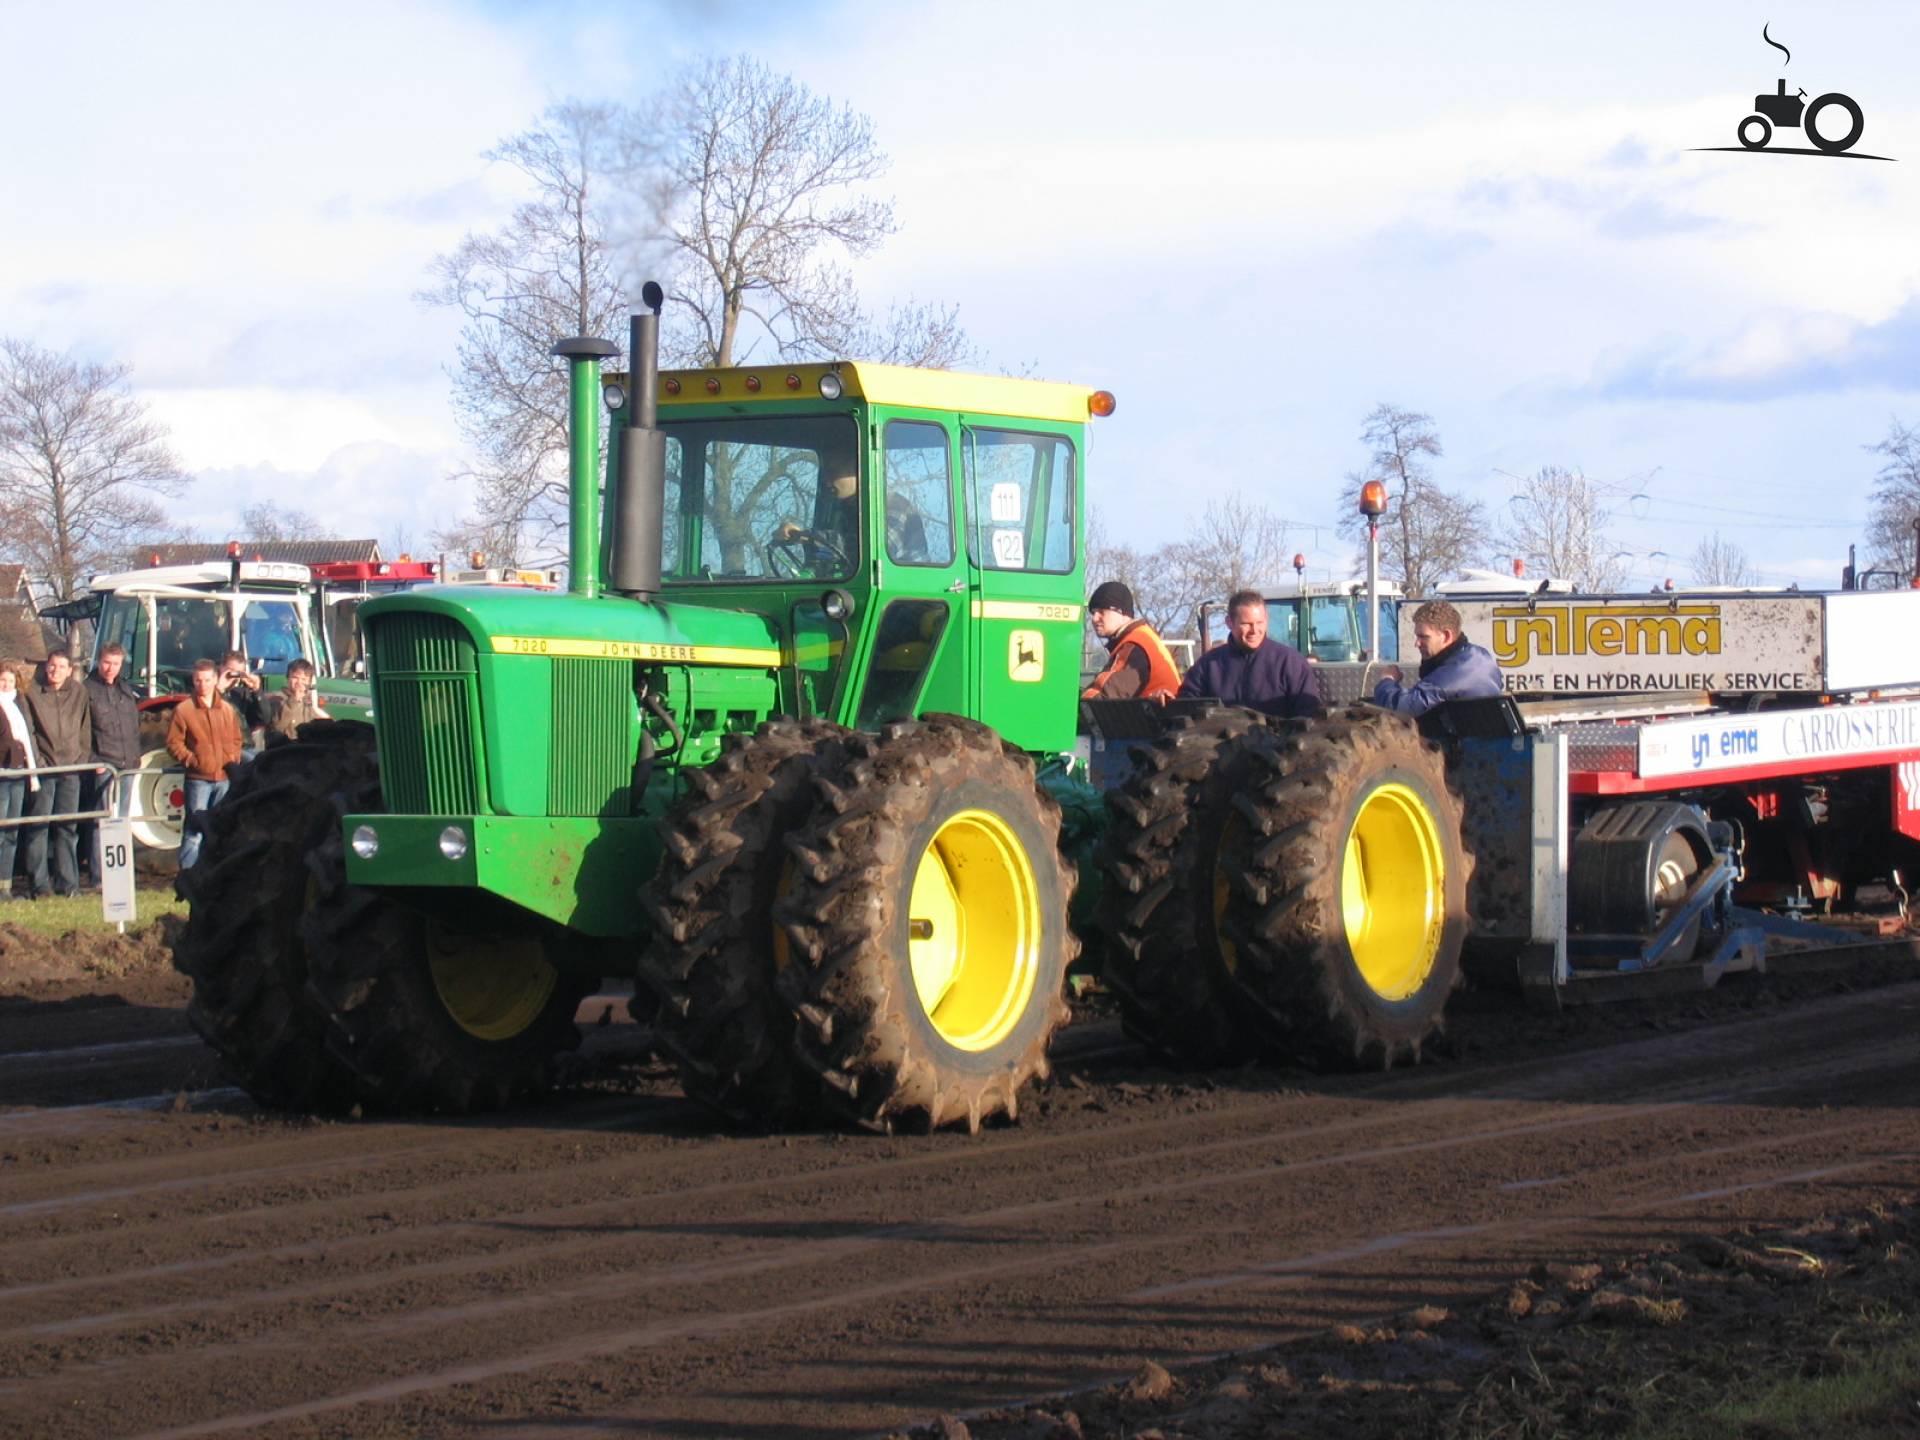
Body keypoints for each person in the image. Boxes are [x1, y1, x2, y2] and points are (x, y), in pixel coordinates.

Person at [1177, 590, 1324, 718]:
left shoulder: (1291, 663)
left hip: (1277, 740)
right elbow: (1185, 707)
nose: (1254, 630)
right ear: (1229, 623)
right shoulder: (1208, 665)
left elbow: (1309, 715)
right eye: (1246, 624)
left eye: (1260, 623)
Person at [23, 648, 92, 898]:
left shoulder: (79, 692)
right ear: (46, 666)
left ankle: (68, 883)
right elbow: (29, 731)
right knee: (39, 826)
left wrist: (81, 759)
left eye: (62, 667)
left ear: (70, 670)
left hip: (71, 770)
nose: (56, 671)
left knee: (67, 828)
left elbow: (85, 728)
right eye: (52, 666)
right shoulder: (32, 693)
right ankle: (39, 884)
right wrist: (39, 762)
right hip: (45, 769)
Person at [167, 658, 246, 870]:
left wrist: (232, 758)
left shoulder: (227, 709)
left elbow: (237, 739)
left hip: (224, 779)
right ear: (193, 681)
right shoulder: (184, 710)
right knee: (195, 831)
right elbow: (173, 743)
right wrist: (193, 761)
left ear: (215, 679)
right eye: (198, 680)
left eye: (207, 680)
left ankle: (213, 873)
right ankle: (188, 873)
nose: (203, 684)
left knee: (219, 830)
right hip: (198, 780)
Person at [1370, 598, 1503, 717]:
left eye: (1424, 637)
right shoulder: (1481, 656)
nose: (1417, 643)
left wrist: (1387, 680)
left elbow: (1401, 708)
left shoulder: (1452, 675)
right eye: (1417, 636)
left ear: (1446, 636)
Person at [83, 643, 142, 885]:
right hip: (104, 763)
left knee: (123, 818)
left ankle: (120, 871)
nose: (110, 668)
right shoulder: (87, 690)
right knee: (103, 819)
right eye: (107, 662)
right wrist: (93, 760)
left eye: (116, 664)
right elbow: (82, 731)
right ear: (99, 661)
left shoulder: (125, 690)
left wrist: (136, 756)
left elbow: (134, 726)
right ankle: (100, 876)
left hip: (128, 763)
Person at [1081, 581, 1180, 701]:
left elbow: (1106, 696)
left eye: (1101, 612)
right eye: (1093, 613)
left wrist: (1074, 703)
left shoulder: (1135, 645)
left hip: (1159, 713)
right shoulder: (1140, 637)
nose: (1094, 618)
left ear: (1121, 612)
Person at [0, 660, 41, 901]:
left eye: (10, 681)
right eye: (2, 680)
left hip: (17, 773)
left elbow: (25, 739)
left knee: (11, 832)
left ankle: (5, 887)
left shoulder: (18, 706)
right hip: (2, 775)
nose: (6, 685)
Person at [264, 658, 330, 743]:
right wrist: (294, 700)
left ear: (309, 682)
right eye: (295, 677)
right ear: (288, 679)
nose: (299, 682)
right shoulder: (277, 698)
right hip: (284, 747)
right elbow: (278, 727)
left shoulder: (311, 702)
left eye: (303, 679)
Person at [218, 650, 267, 746]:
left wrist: (257, 691)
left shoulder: (242, 693)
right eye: (230, 671)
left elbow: (264, 719)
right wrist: (219, 691)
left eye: (238, 673)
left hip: (243, 744)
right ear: (221, 667)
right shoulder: (207, 690)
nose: (234, 676)